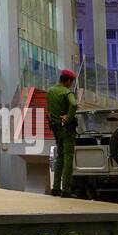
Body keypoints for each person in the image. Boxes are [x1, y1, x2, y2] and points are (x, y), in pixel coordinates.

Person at [46, 69, 78, 197]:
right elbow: (74, 104)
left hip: (55, 128)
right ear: (68, 81)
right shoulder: (67, 92)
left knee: (59, 157)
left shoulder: (50, 91)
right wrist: (68, 116)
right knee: (68, 157)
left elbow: (50, 110)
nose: (71, 84)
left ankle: (55, 188)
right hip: (67, 129)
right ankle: (66, 189)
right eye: (71, 82)